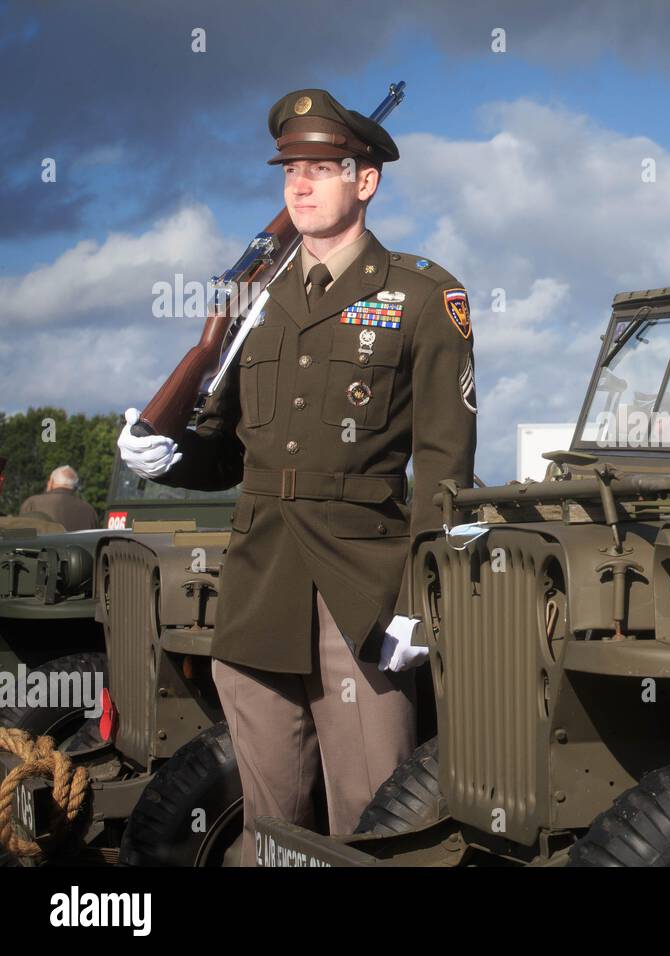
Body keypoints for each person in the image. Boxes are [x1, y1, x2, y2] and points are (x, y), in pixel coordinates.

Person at [117, 88, 477, 866]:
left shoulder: (422, 296)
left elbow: (447, 468)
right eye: (291, 170)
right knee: (268, 825)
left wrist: (421, 602)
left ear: (366, 181)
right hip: (257, 587)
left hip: (362, 596)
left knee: (374, 823)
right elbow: (227, 449)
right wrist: (167, 454)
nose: (301, 185)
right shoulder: (255, 304)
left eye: (322, 168)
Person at [19, 465, 98, 531]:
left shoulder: (32, 503)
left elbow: (20, 536)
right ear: (74, 487)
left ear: (52, 482)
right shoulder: (89, 511)